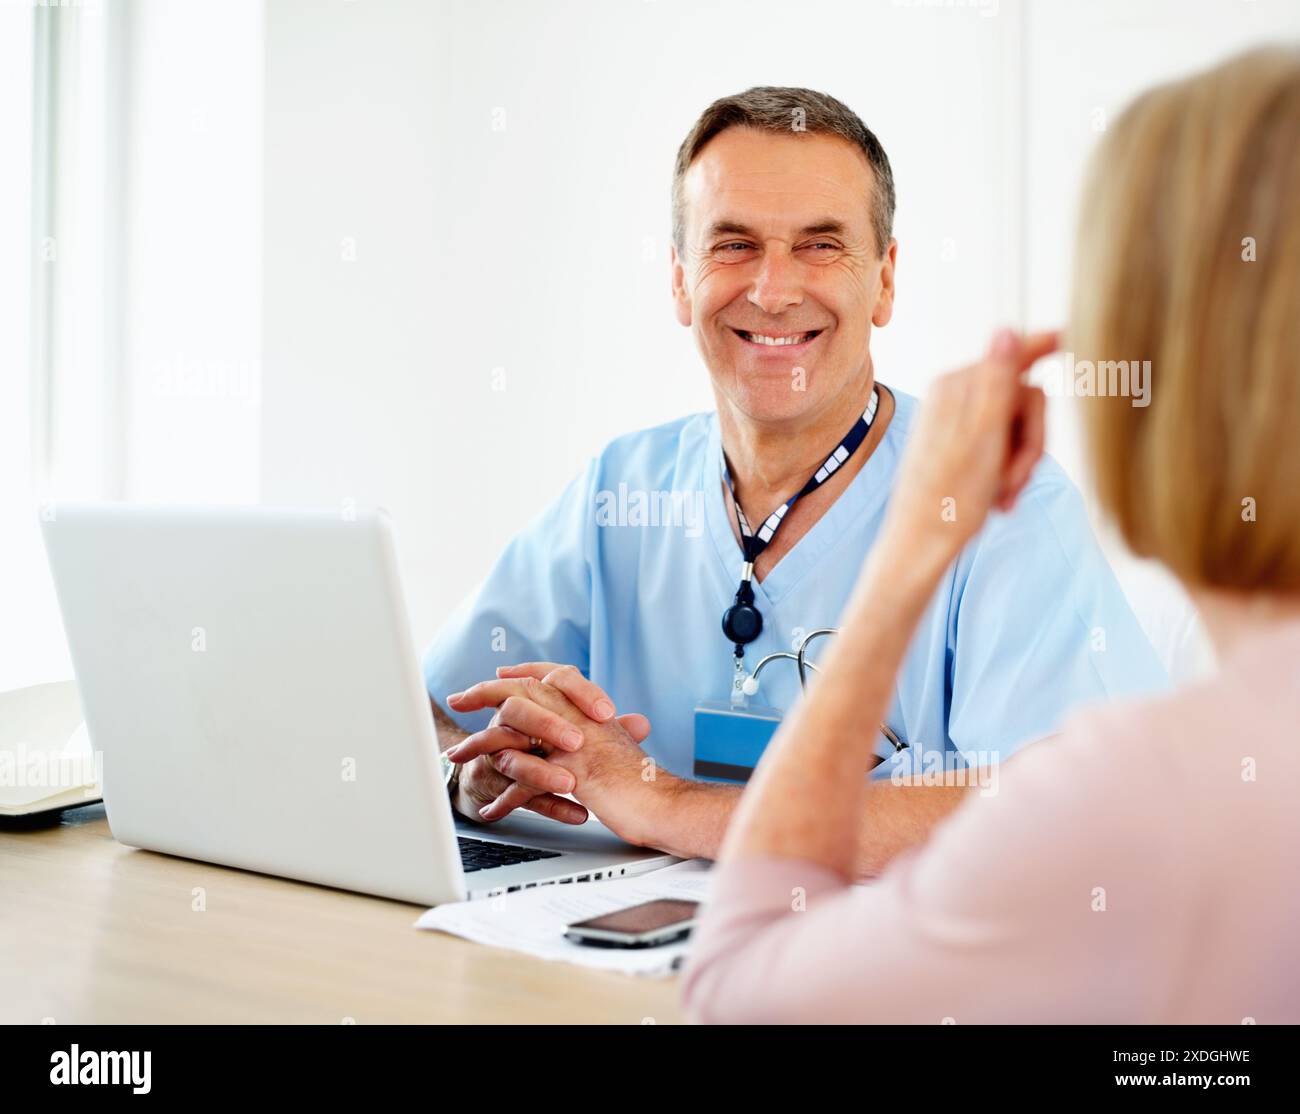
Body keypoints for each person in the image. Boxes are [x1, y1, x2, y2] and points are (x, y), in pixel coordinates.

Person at [681, 46, 1300, 1022]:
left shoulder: (1131, 796)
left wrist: (896, 565)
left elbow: (736, 991)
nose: (772, 286)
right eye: (731, 244)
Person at [428, 87, 1166, 871]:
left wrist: (662, 803)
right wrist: (468, 770)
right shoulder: (621, 491)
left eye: (820, 245)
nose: (773, 290)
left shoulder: (1002, 502)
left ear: (884, 280)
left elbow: (1078, 812)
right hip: (618, 961)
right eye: (733, 244)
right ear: (680, 280)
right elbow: (429, 709)